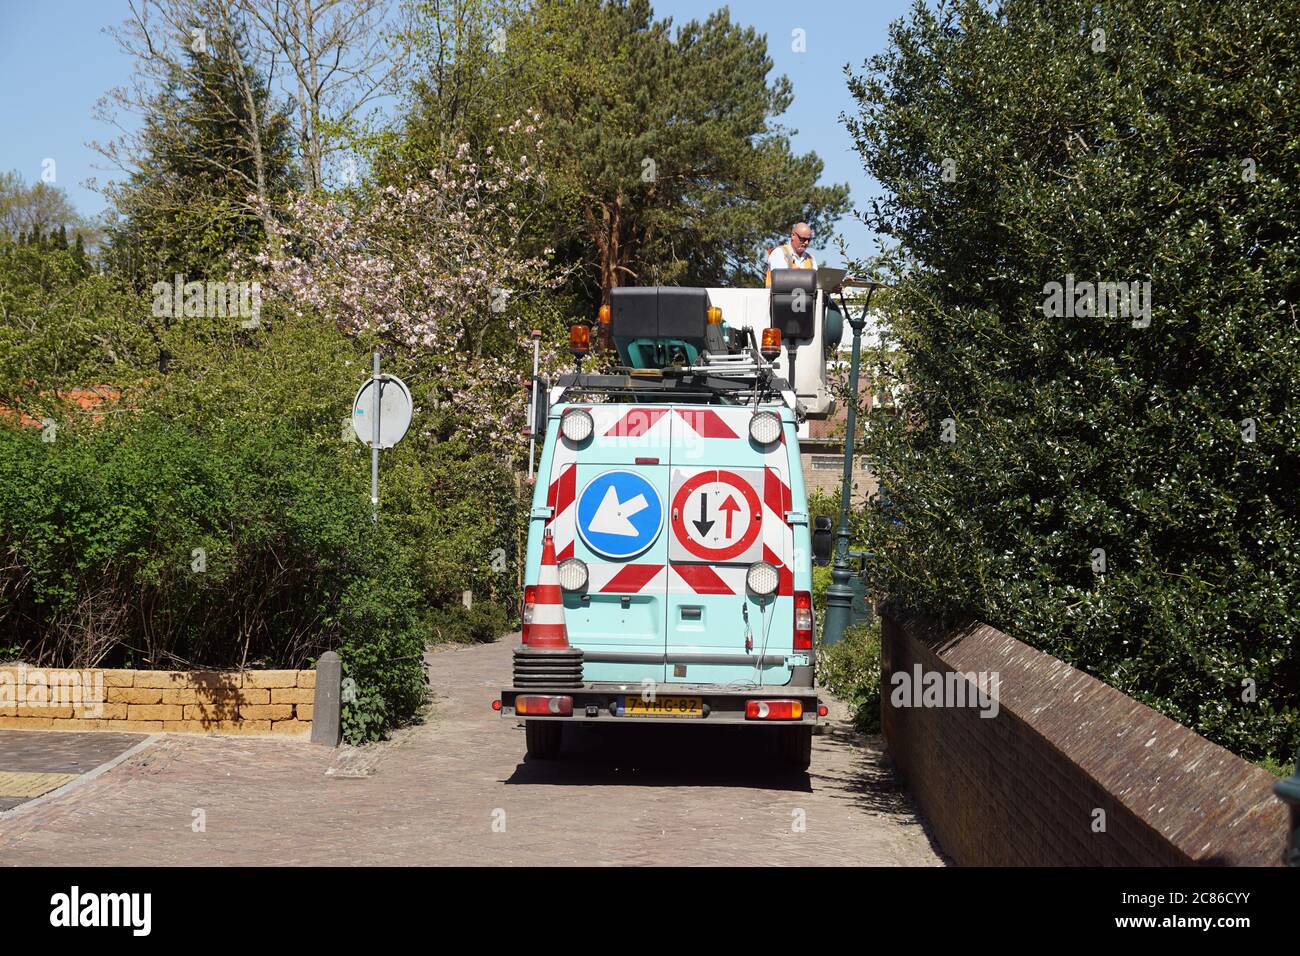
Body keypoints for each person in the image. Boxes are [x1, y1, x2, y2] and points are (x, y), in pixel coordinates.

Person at [764, 222, 816, 287]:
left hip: (805, 296)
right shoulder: (779, 253)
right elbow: (781, 280)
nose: (806, 242)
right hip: (780, 296)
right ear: (793, 235)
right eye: (803, 239)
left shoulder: (811, 259)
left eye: (809, 239)